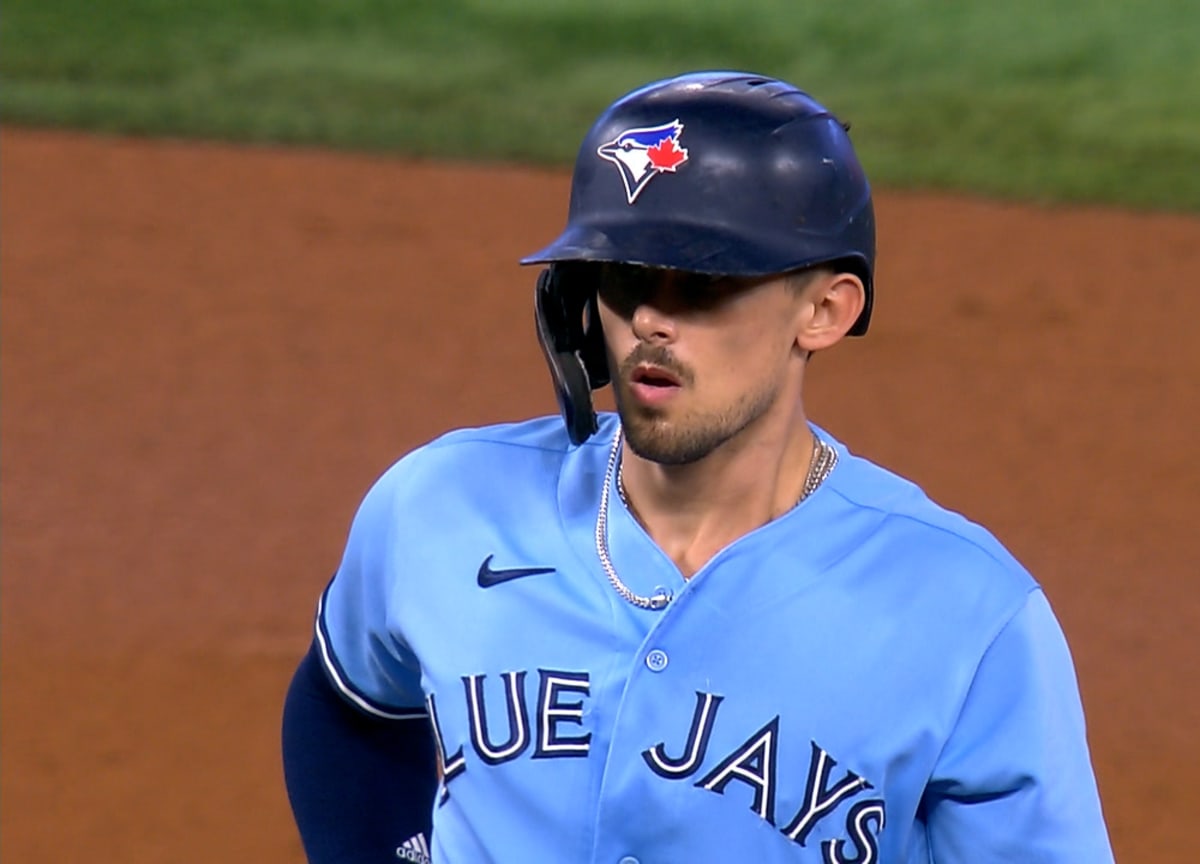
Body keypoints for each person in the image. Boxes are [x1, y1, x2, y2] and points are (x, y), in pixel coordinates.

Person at [282, 70, 1115, 863]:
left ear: (825, 309)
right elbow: (346, 707)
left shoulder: (967, 616)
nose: (650, 317)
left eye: (703, 286)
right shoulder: (442, 505)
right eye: (627, 276)